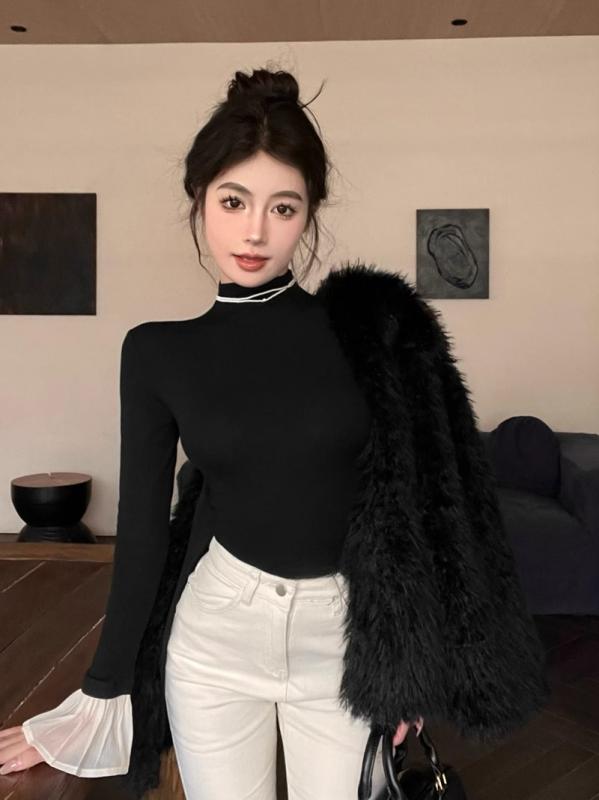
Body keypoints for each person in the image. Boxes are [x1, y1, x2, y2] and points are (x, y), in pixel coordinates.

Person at [0, 65, 548, 798]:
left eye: (282, 207)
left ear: (309, 212)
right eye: (233, 201)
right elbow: (144, 534)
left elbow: (429, 508)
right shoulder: (158, 353)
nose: (254, 231)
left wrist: (409, 666)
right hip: (215, 637)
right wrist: (100, 690)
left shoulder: (373, 332)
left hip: (343, 640)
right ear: (199, 199)